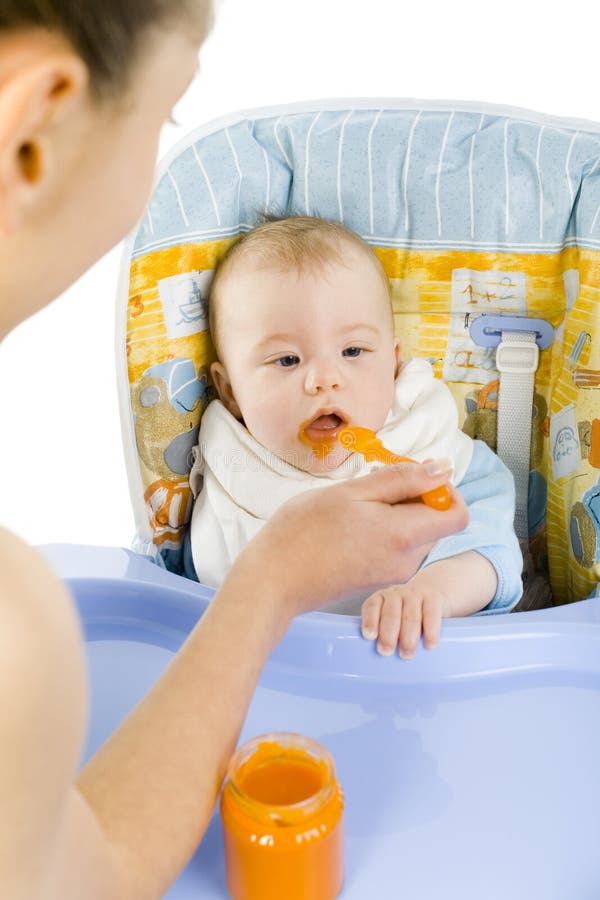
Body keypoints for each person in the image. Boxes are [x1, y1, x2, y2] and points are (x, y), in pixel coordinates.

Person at [0, 5, 471, 899]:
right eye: (165, 111)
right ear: (32, 131)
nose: (324, 381)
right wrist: (273, 574)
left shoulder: (425, 427)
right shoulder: (14, 631)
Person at [188, 217, 523, 657]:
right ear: (230, 391)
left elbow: (493, 547)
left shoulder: (426, 445)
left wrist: (433, 593)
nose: (325, 379)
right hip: (283, 676)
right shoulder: (232, 469)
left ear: (394, 364)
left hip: (429, 661)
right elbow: (204, 608)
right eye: (287, 360)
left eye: (352, 351)